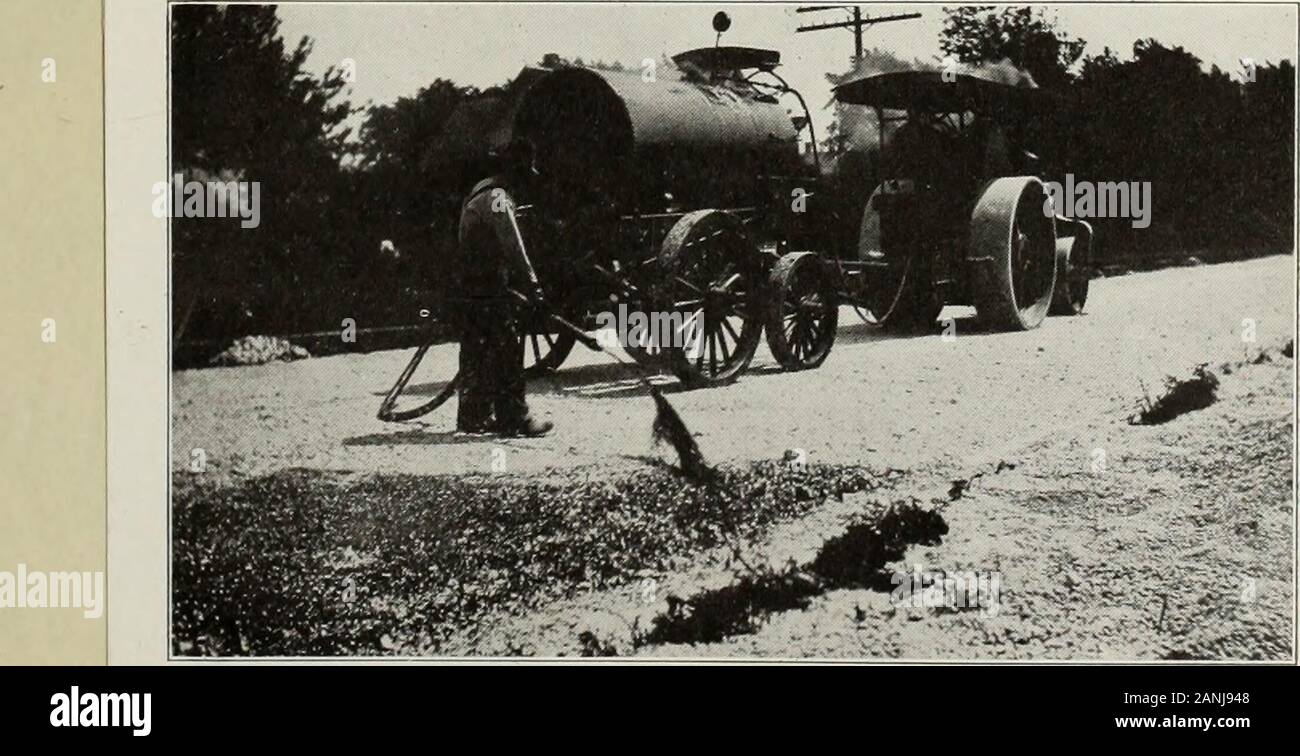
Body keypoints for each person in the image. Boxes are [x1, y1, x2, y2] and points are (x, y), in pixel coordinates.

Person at [452, 138, 553, 437]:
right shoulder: (498, 198)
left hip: (469, 282)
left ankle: (472, 418)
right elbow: (513, 246)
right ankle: (514, 419)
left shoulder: (481, 189)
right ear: (516, 171)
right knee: (507, 348)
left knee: (475, 349)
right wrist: (534, 286)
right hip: (486, 283)